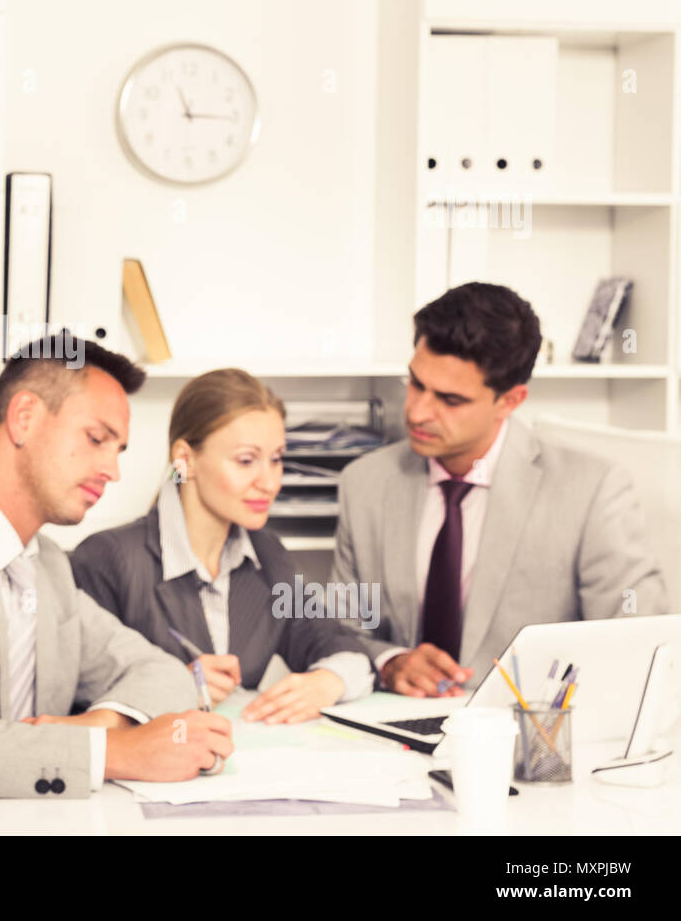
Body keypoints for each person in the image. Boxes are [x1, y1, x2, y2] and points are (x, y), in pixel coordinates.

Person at [0, 332, 234, 798]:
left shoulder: (49, 567)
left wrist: (98, 725)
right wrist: (115, 751)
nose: (113, 471)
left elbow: (166, 671)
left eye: (118, 449)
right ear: (24, 417)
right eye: (96, 439)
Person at [331, 281, 668, 698]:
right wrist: (391, 661)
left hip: (532, 738)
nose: (417, 412)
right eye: (416, 384)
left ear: (510, 401)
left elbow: (636, 644)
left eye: (450, 400)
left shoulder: (592, 490)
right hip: (392, 727)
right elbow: (339, 629)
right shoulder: (365, 482)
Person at [71, 368, 375, 726]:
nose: (269, 482)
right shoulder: (108, 558)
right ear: (184, 460)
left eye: (276, 459)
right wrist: (175, 685)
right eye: (246, 460)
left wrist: (327, 682)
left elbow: (338, 643)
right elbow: (74, 698)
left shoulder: (266, 553)